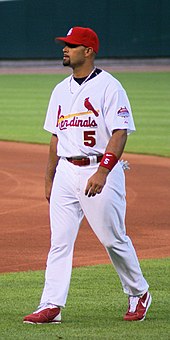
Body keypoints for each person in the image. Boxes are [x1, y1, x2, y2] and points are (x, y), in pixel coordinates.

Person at [23, 26, 151, 324]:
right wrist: (49, 178)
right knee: (60, 241)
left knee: (112, 239)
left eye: (71, 45)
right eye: (64, 45)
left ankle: (139, 291)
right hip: (66, 172)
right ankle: (50, 304)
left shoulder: (109, 86)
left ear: (88, 51)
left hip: (98, 169)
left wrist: (104, 171)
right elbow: (56, 138)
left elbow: (119, 132)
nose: (65, 49)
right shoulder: (59, 90)